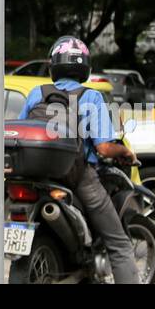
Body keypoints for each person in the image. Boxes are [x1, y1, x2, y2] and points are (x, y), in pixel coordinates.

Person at [22, 36, 139, 284]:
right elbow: (105, 148)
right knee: (119, 244)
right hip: (77, 176)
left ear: (54, 65)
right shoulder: (91, 97)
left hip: (34, 176)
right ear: (84, 66)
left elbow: (22, 129)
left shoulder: (36, 94)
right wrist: (125, 152)